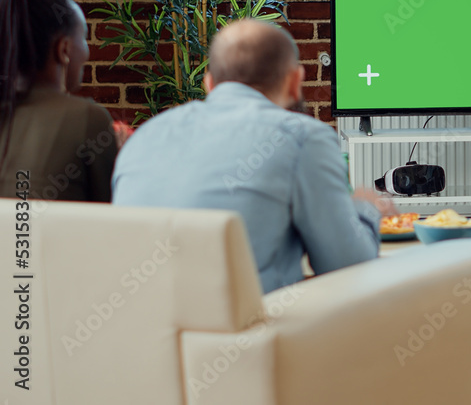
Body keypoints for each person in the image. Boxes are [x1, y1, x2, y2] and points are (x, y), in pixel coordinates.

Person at [113, 19, 393, 293]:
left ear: (209, 84)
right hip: (251, 334)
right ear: (295, 81)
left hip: (142, 332)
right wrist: (366, 208)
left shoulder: (146, 135)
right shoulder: (303, 137)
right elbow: (347, 269)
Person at [0, 0, 118, 201]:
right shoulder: (88, 119)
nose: (87, 51)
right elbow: (110, 222)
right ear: (63, 50)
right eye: (83, 38)